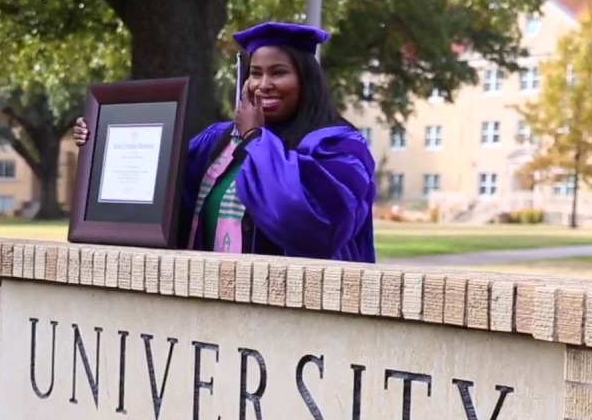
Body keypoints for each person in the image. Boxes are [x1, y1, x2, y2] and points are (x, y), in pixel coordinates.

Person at [73, 21, 376, 263]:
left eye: (279, 72)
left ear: (306, 80)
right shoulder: (217, 141)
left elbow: (312, 226)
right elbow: (157, 191)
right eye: (255, 73)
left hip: (297, 319)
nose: (263, 85)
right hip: (213, 312)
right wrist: (100, 141)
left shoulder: (340, 148)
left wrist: (256, 139)